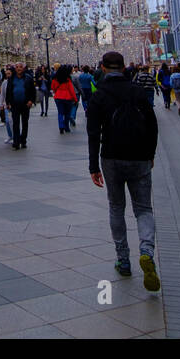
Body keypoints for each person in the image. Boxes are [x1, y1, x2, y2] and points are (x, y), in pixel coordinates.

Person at [87, 50, 160, 292]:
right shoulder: (137, 91)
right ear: (123, 67)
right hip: (139, 155)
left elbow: (93, 133)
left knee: (116, 207)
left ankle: (123, 260)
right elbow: (152, 125)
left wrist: (93, 166)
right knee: (143, 208)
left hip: (111, 157)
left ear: (103, 68)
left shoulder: (99, 95)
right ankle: (147, 251)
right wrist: (150, 154)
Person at [2, 62, 35, 150]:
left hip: (25, 104)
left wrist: (31, 101)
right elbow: (8, 91)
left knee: (25, 123)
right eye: (17, 67)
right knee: (15, 123)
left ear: (23, 68)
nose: (19, 68)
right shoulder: (11, 78)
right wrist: (8, 102)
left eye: (20, 67)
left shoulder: (28, 78)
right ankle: (16, 142)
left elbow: (32, 90)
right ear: (15, 69)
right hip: (15, 104)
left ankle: (23, 140)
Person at [50, 65, 78, 134]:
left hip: (58, 97)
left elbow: (53, 88)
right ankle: (66, 127)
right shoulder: (68, 79)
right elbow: (71, 90)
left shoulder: (55, 79)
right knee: (67, 113)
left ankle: (61, 127)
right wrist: (75, 99)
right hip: (67, 98)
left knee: (60, 113)